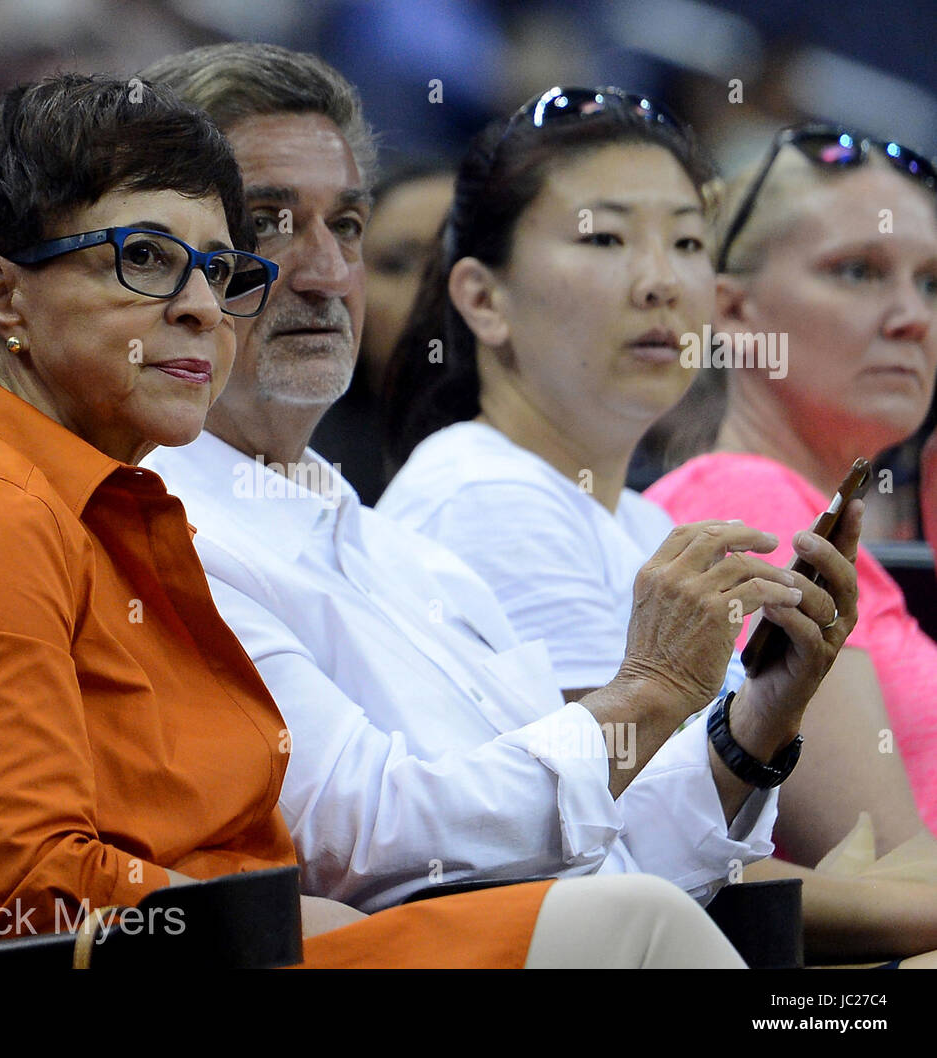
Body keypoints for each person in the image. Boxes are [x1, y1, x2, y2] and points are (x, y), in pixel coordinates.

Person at [0, 70, 749, 969]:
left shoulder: (127, 512)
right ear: (3, 295)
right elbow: (25, 892)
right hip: (214, 956)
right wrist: (280, 914)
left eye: (216, 270)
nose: (206, 309)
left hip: (262, 939)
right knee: (635, 931)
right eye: (149, 260)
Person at [140, 49, 859, 920]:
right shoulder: (163, 531)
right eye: (268, 221)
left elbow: (609, 852)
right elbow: (357, 841)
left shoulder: (409, 560)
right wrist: (649, 692)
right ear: (160, 260)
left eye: (349, 226)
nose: (326, 271)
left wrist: (751, 730)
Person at [379, 98, 937, 962]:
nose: (660, 281)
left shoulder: (631, 514)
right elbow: (595, 859)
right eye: (606, 239)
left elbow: (667, 851)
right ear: (483, 299)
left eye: (684, 241)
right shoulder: (485, 495)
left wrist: (761, 719)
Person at [644, 123, 937, 840]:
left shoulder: (822, 514)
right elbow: (875, 866)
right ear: (733, 309)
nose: (912, 319)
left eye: (932, 283)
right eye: (857, 271)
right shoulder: (747, 503)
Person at [311, 166, 454, 503]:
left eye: (457, 262)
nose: (432, 291)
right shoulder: (302, 467)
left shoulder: (571, 449)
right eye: (398, 264)